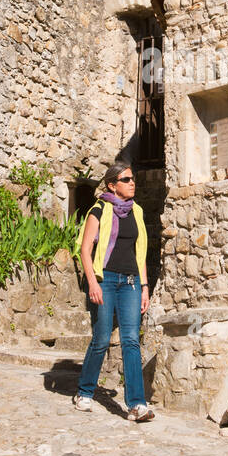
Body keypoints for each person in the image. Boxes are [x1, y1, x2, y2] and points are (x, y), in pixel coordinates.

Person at [72, 161, 155, 422]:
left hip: (130, 282)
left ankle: (136, 405)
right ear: (112, 185)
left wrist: (144, 286)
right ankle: (85, 391)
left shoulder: (137, 212)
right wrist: (93, 283)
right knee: (102, 337)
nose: (132, 183)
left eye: (133, 179)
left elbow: (139, 252)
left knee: (131, 339)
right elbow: (85, 250)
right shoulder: (98, 210)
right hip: (105, 279)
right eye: (126, 179)